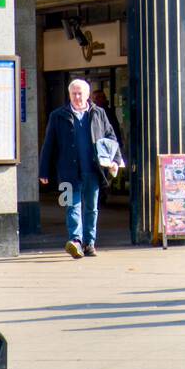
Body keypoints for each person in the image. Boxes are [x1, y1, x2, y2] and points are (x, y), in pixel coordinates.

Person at [39, 78, 118, 258]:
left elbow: (111, 138)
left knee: (91, 208)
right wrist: (44, 171)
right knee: (71, 206)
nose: (76, 97)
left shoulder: (99, 113)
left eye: (80, 93)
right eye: (73, 93)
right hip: (67, 172)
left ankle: (89, 243)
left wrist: (116, 160)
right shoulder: (57, 115)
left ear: (87, 95)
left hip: (93, 170)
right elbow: (49, 144)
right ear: (69, 95)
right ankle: (76, 240)